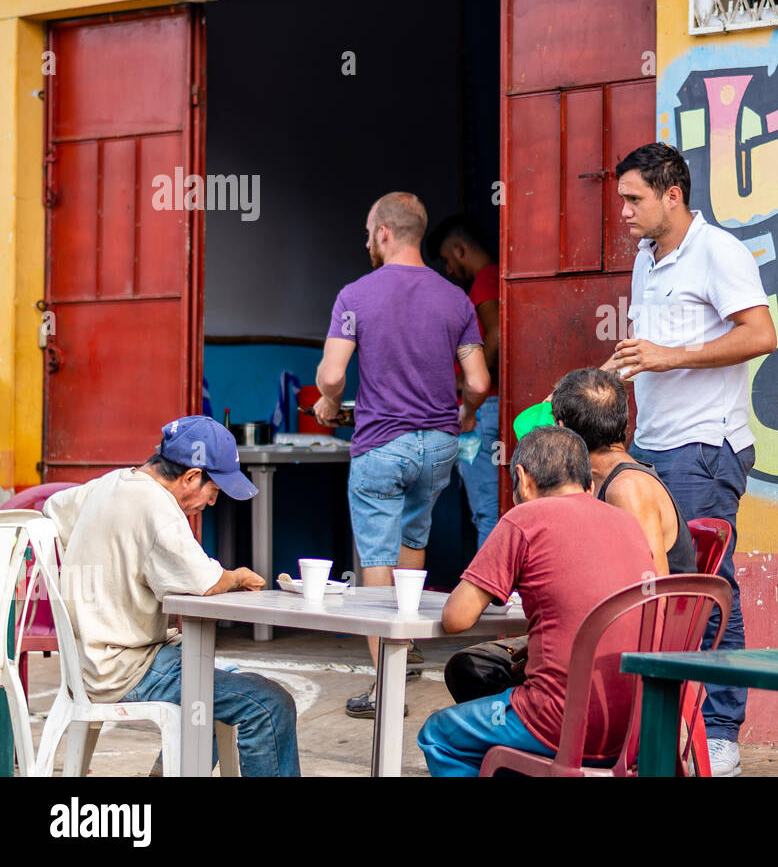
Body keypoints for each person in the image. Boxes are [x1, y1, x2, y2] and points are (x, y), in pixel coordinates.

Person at [607, 142, 777, 776]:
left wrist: (669, 356)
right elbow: (647, 350)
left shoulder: (719, 251)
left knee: (709, 590)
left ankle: (721, 732)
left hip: (704, 451)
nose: (623, 211)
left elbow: (761, 335)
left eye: (634, 199)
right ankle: (668, 727)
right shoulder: (646, 259)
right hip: (649, 447)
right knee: (650, 590)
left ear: (671, 195)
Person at [41, 416, 300, 776]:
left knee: (222, 684)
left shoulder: (107, 484)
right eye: (215, 491)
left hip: (90, 663)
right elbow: (205, 581)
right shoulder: (157, 507)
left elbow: (52, 508)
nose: (211, 503)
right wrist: (237, 576)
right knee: (269, 704)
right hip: (125, 668)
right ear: (192, 477)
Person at [314, 191, 491, 718]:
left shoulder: (355, 295)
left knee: (376, 558)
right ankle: (406, 645)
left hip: (381, 447)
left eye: (370, 233)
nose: (367, 242)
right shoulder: (455, 300)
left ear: (385, 233)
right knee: (414, 538)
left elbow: (330, 375)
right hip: (438, 447)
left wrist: (327, 402)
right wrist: (467, 413)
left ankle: (384, 689)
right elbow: (478, 380)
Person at [417, 426, 654, 776]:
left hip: (558, 722)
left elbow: (457, 618)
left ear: (523, 480)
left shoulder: (524, 519)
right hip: (636, 725)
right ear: (589, 485)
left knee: (438, 734)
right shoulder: (628, 523)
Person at [553, 367, 694, 577]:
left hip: (656, 609)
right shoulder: (603, 478)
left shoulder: (628, 488)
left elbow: (654, 594)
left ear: (562, 429)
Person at [435, 218, 502, 549]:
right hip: (487, 407)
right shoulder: (489, 280)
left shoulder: (486, 279)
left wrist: (468, 380)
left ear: (461, 250)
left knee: (486, 511)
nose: (448, 269)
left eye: (448, 259)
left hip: (484, 408)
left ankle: (487, 597)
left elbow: (498, 334)